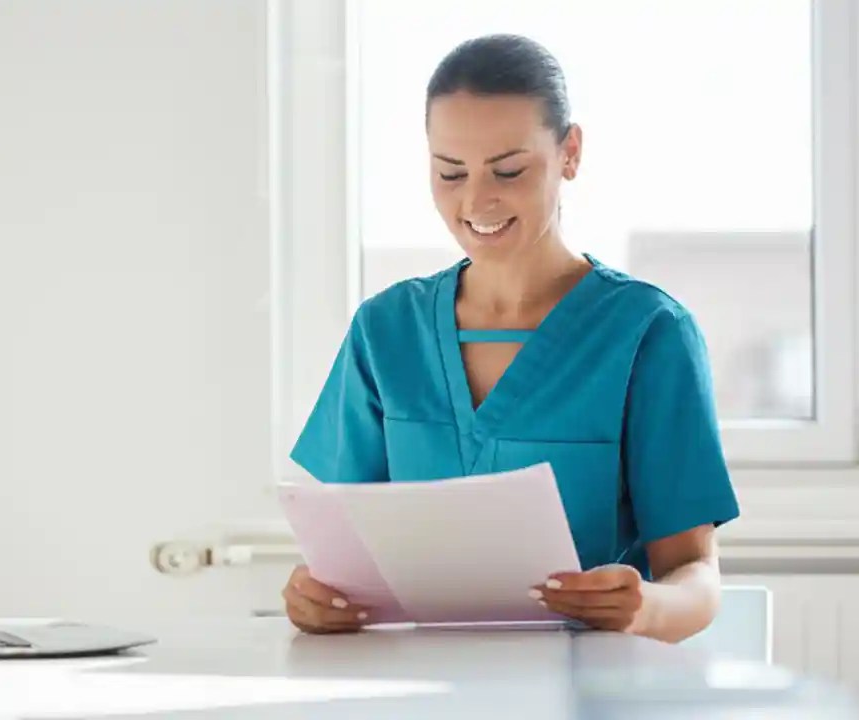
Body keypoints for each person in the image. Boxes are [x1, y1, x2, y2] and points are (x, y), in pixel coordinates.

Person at [280, 34, 740, 642]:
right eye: (450, 172)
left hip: (592, 678)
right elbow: (342, 559)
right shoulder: (385, 331)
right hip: (416, 677)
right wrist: (315, 600)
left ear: (569, 153)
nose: (476, 199)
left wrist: (647, 608)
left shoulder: (649, 332)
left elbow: (695, 575)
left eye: (508, 170)